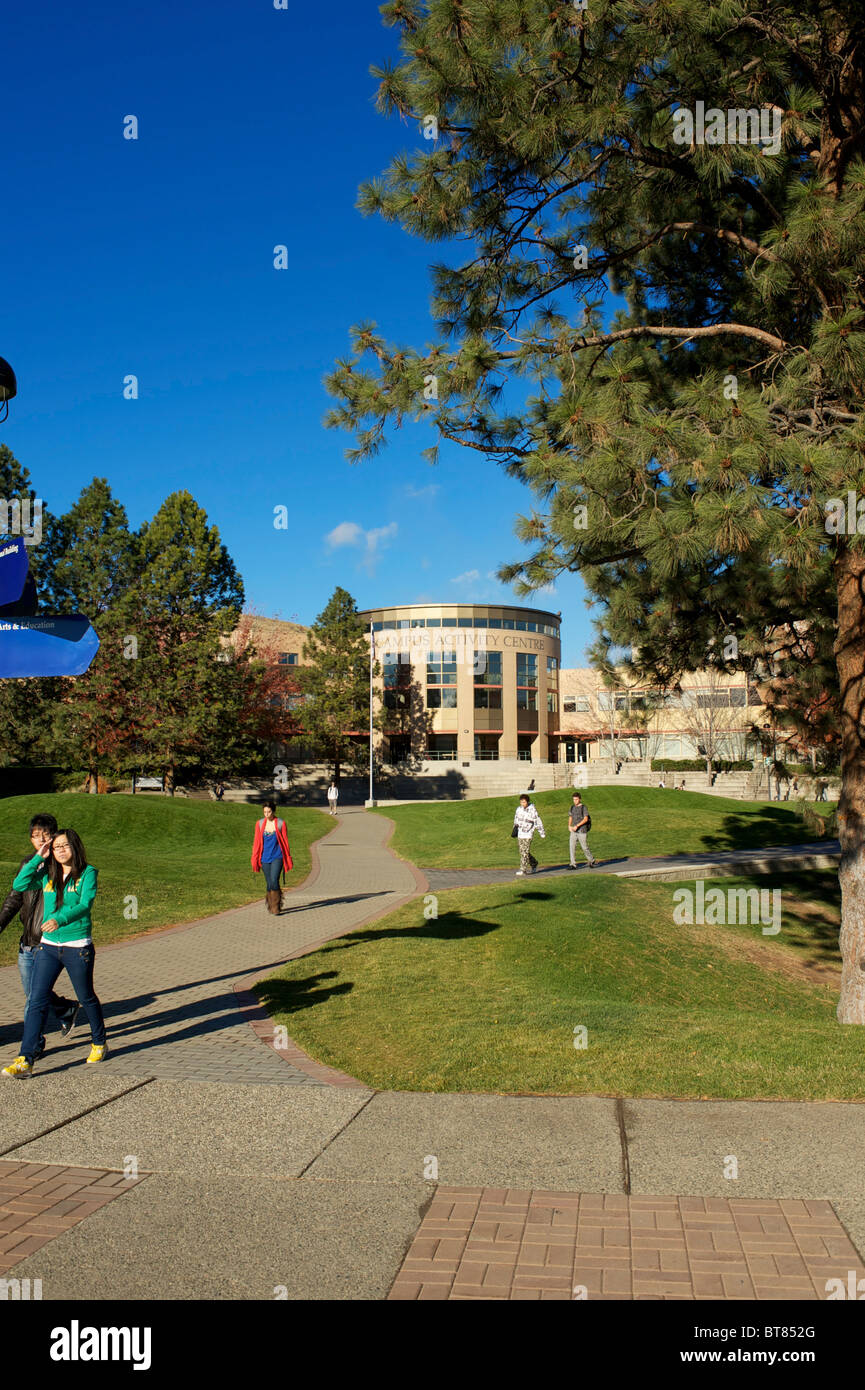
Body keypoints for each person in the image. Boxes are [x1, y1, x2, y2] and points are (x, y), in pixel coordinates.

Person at [2, 828, 108, 1078]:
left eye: (65, 846)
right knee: (36, 1000)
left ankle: (99, 1042)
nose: (60, 850)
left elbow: (84, 904)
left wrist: (59, 919)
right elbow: (19, 884)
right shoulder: (47, 874)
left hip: (77, 946)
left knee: (86, 996)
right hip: (47, 947)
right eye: (56, 846)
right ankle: (25, 1060)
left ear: (75, 847)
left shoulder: (87, 873)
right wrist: (39, 857)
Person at [0, 814, 80, 1061]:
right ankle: (64, 1008)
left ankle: (33, 1046)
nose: (40, 840)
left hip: (47, 942)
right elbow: (15, 897)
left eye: (45, 835)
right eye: (35, 836)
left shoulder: (60, 865)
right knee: (34, 994)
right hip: (27, 941)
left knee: (35, 998)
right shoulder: (29, 863)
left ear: (55, 836)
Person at [251, 801, 293, 914]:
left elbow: (285, 842)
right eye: (265, 812)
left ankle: (276, 906)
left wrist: (287, 857)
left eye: (269, 811)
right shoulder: (259, 824)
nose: (267, 814)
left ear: (273, 811)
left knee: (274, 880)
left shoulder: (280, 823)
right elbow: (256, 842)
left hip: (277, 856)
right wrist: (254, 858)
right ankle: (271, 904)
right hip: (264, 857)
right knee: (269, 883)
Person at [513, 794, 545, 876]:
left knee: (524, 852)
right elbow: (516, 819)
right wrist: (514, 829)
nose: (522, 804)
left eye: (524, 802)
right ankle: (534, 863)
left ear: (527, 802)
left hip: (528, 833)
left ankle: (523, 869)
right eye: (521, 802)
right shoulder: (518, 809)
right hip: (520, 833)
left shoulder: (532, 810)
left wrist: (541, 832)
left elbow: (537, 821)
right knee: (523, 851)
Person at [568, 792, 596, 869]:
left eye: (576, 799)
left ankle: (591, 860)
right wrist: (569, 826)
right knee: (572, 846)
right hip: (573, 830)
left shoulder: (584, 807)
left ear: (579, 799)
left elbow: (586, 819)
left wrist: (577, 826)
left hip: (582, 830)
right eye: (574, 799)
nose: (575, 801)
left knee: (584, 847)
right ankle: (573, 864)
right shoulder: (572, 807)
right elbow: (570, 817)